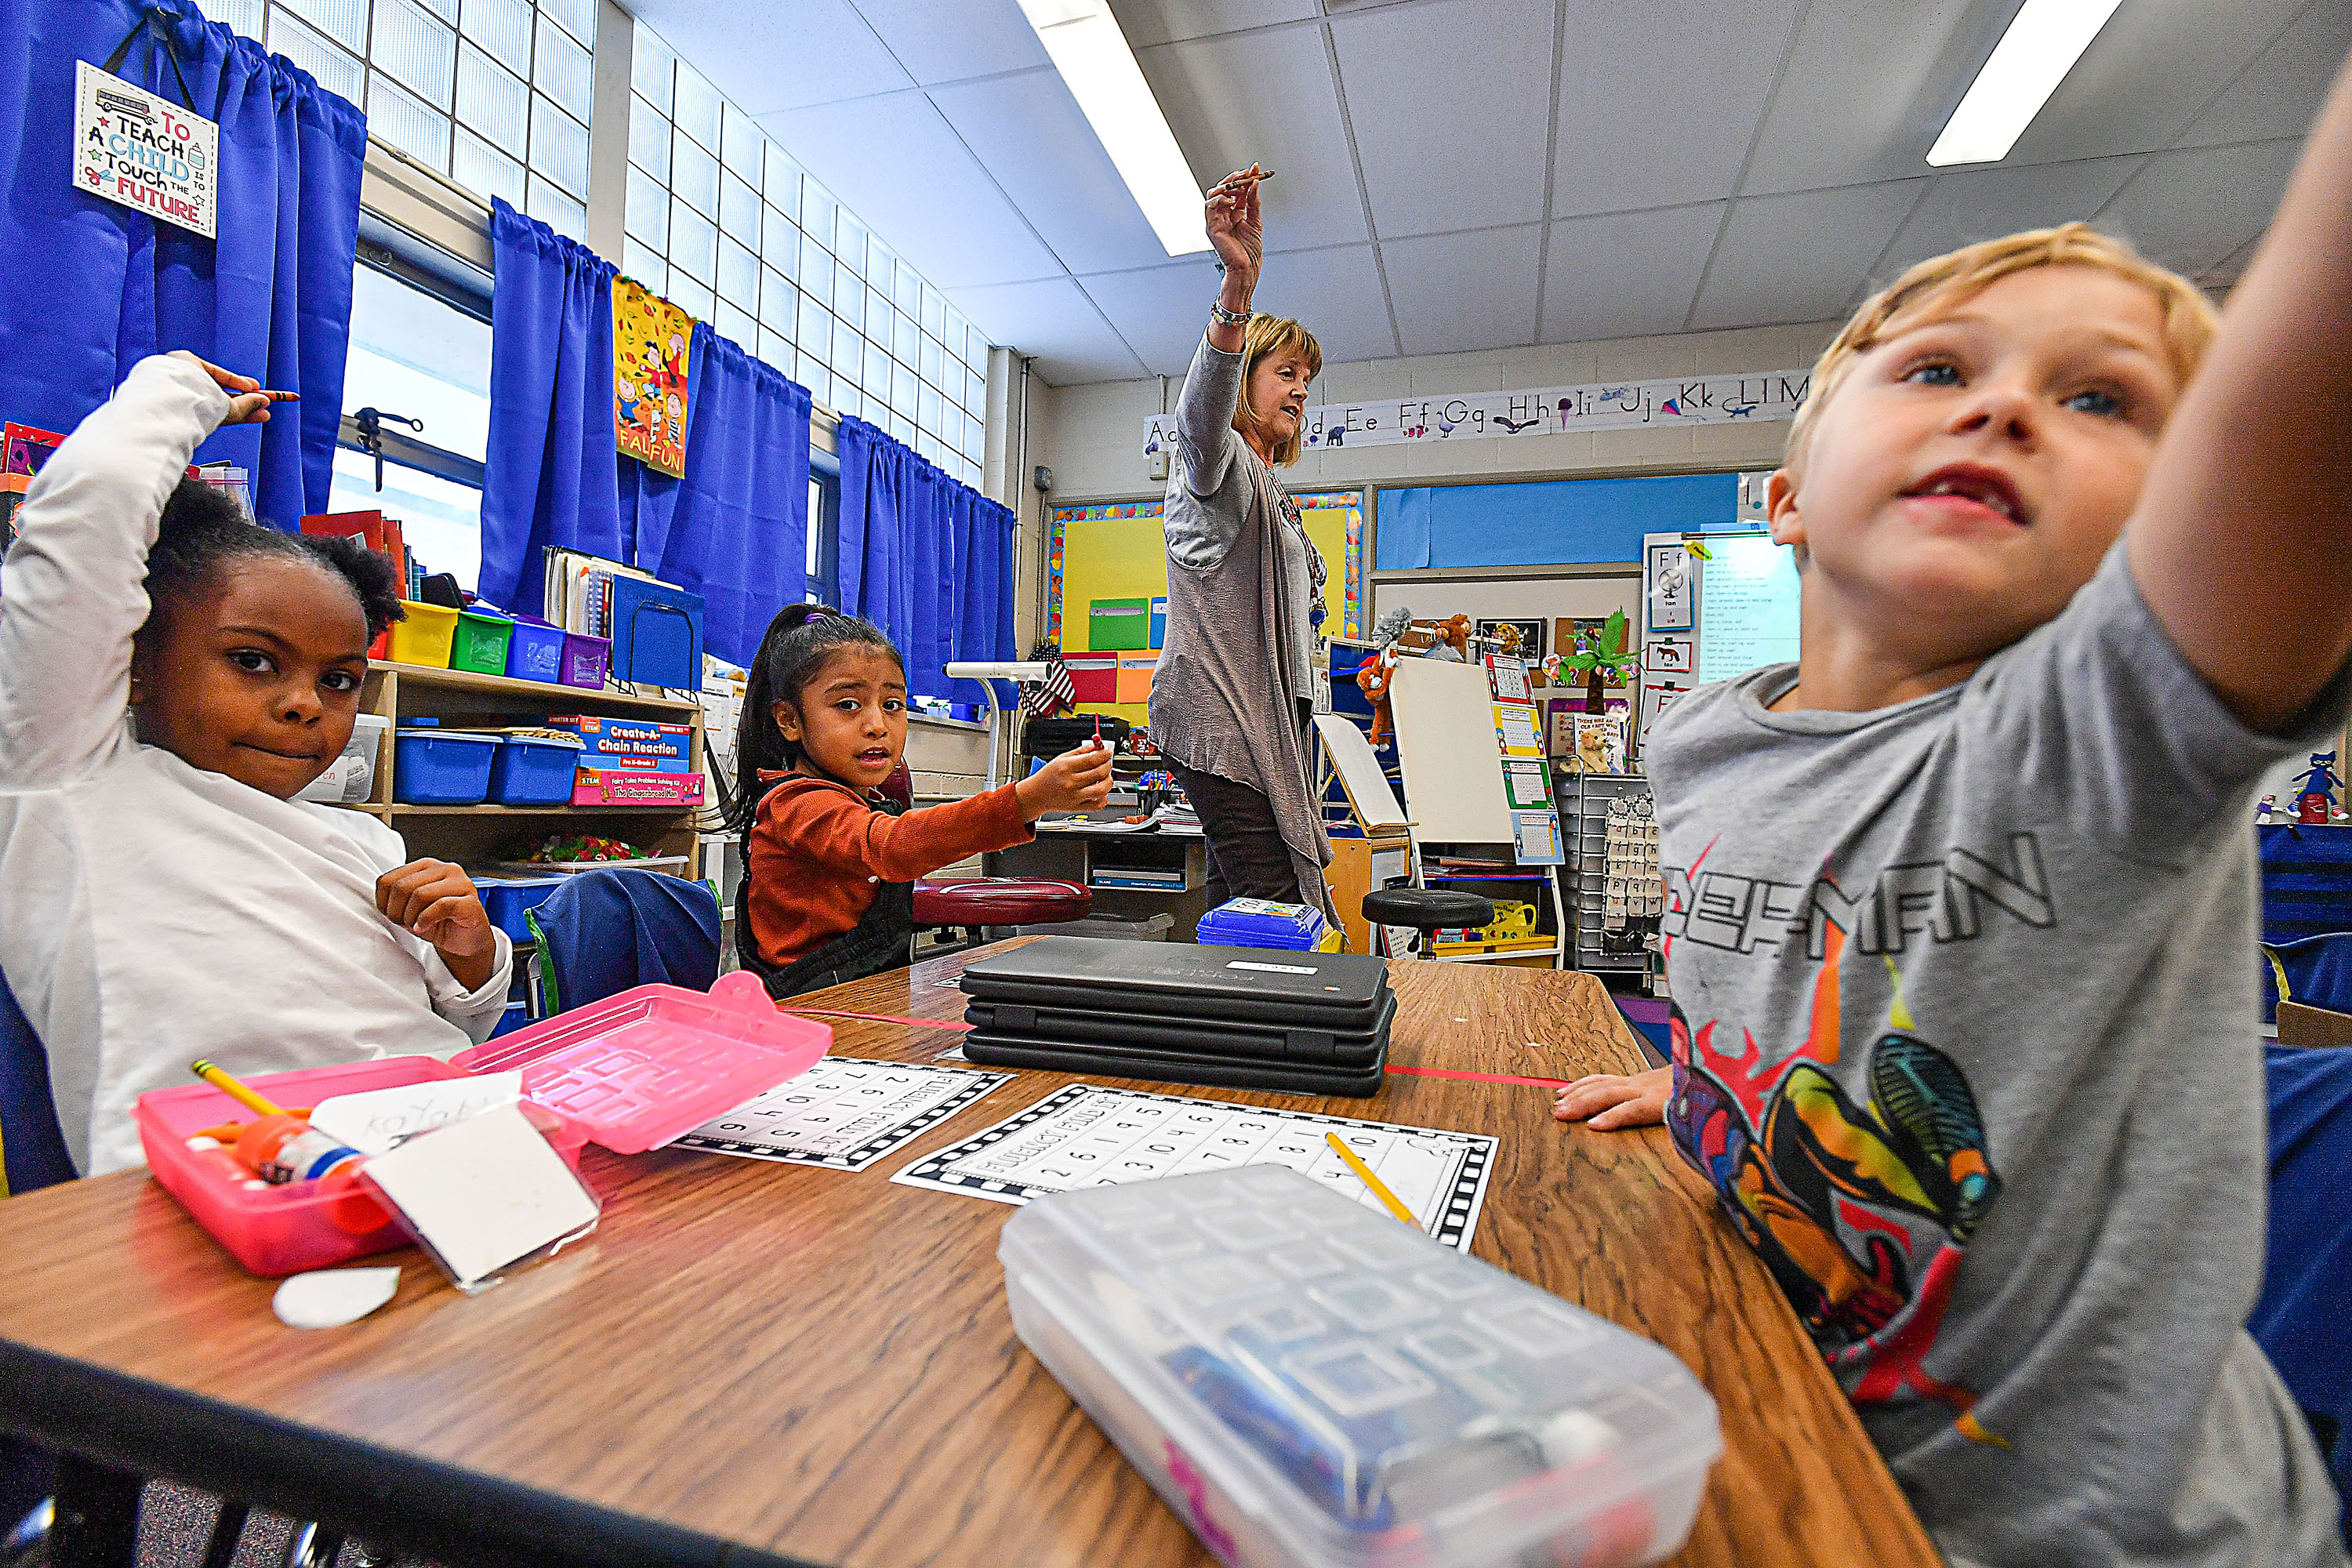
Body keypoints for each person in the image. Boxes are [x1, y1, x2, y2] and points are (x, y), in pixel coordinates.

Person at [1552, 64, 2352, 1560]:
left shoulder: (2108, 735)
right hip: (1815, 1444)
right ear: (1785, 496)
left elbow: (2307, 387)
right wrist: (1722, 1096)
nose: (2004, 404)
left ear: (2159, 531)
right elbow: (1816, 978)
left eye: (2103, 400)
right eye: (1936, 370)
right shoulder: (1706, 741)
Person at [0, 352, 512, 1179]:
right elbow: (79, 527)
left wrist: (472, 950)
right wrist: (178, 391)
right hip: (226, 1188)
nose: (306, 703)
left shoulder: (365, 841)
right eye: (253, 661)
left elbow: (470, 1020)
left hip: (443, 1142)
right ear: (132, 663)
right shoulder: (73, 782)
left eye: (338, 678)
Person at [728, 603, 1112, 998]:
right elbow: (891, 846)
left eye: (892, 705)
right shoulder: (796, 805)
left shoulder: (860, 799)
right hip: (806, 1010)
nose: (877, 726)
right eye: (847, 705)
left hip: (863, 994)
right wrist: (1028, 799)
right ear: (790, 720)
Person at [1151, 163, 1334, 921]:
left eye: (1306, 379)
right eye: (1285, 372)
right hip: (1221, 715)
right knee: (1276, 907)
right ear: (1245, 377)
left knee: (1241, 902)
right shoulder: (1219, 469)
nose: (1298, 389)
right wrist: (1236, 287)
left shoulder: (1272, 489)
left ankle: (1213, 1035)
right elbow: (1198, 419)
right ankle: (1255, 1035)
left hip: (1266, 721)